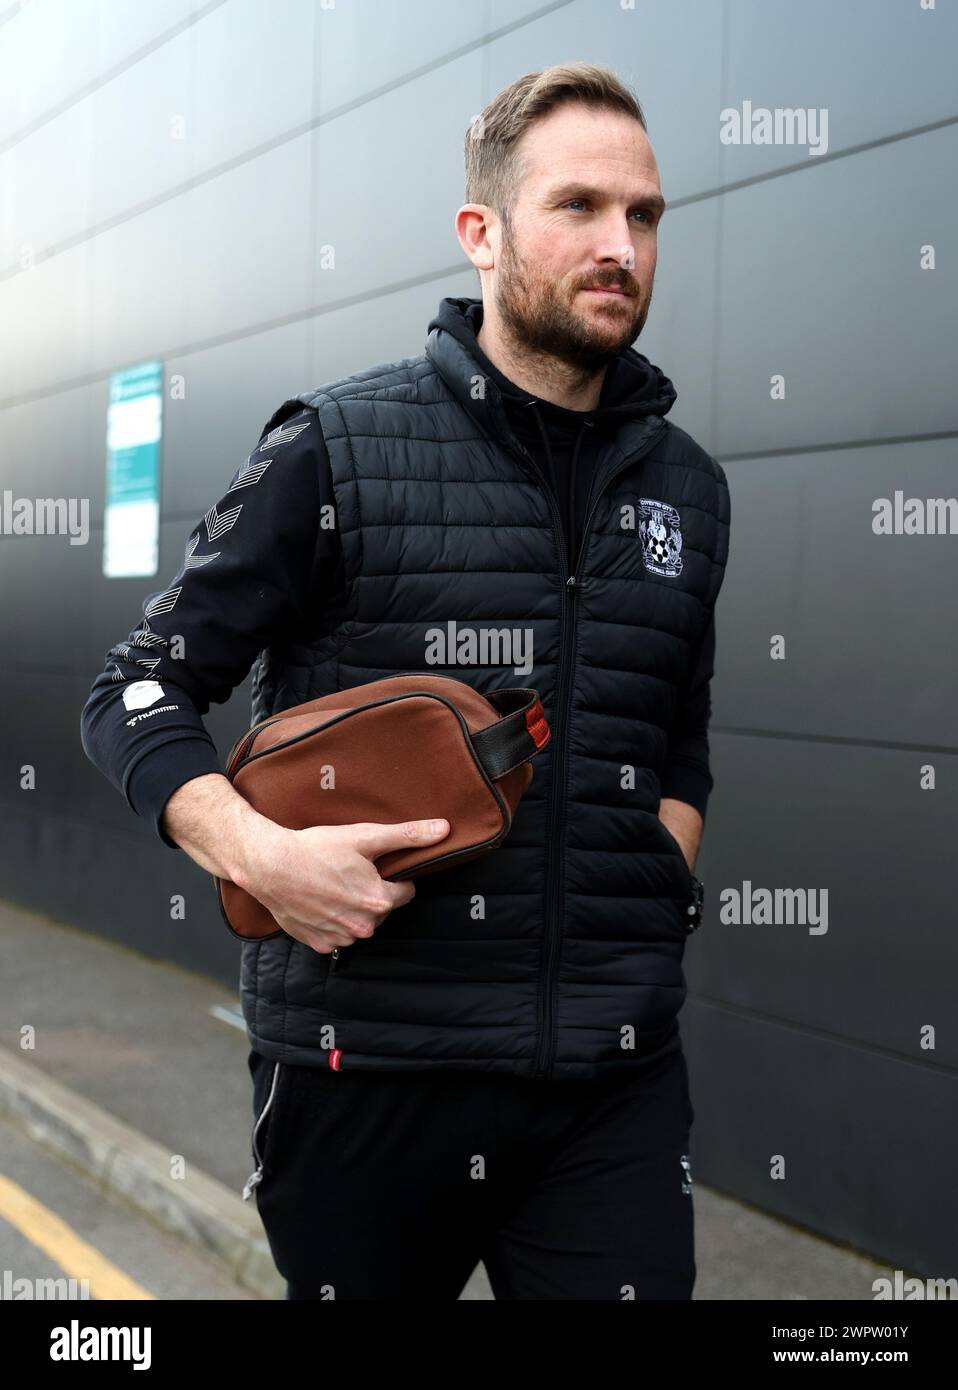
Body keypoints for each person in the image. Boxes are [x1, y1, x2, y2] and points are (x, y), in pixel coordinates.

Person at [80, 62, 730, 1301]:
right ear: (479, 234)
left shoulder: (688, 487)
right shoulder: (334, 446)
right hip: (363, 1074)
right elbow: (137, 689)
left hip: (612, 1077)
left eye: (644, 216)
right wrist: (258, 856)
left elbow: (676, 727)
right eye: (580, 207)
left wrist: (661, 877)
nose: (621, 245)